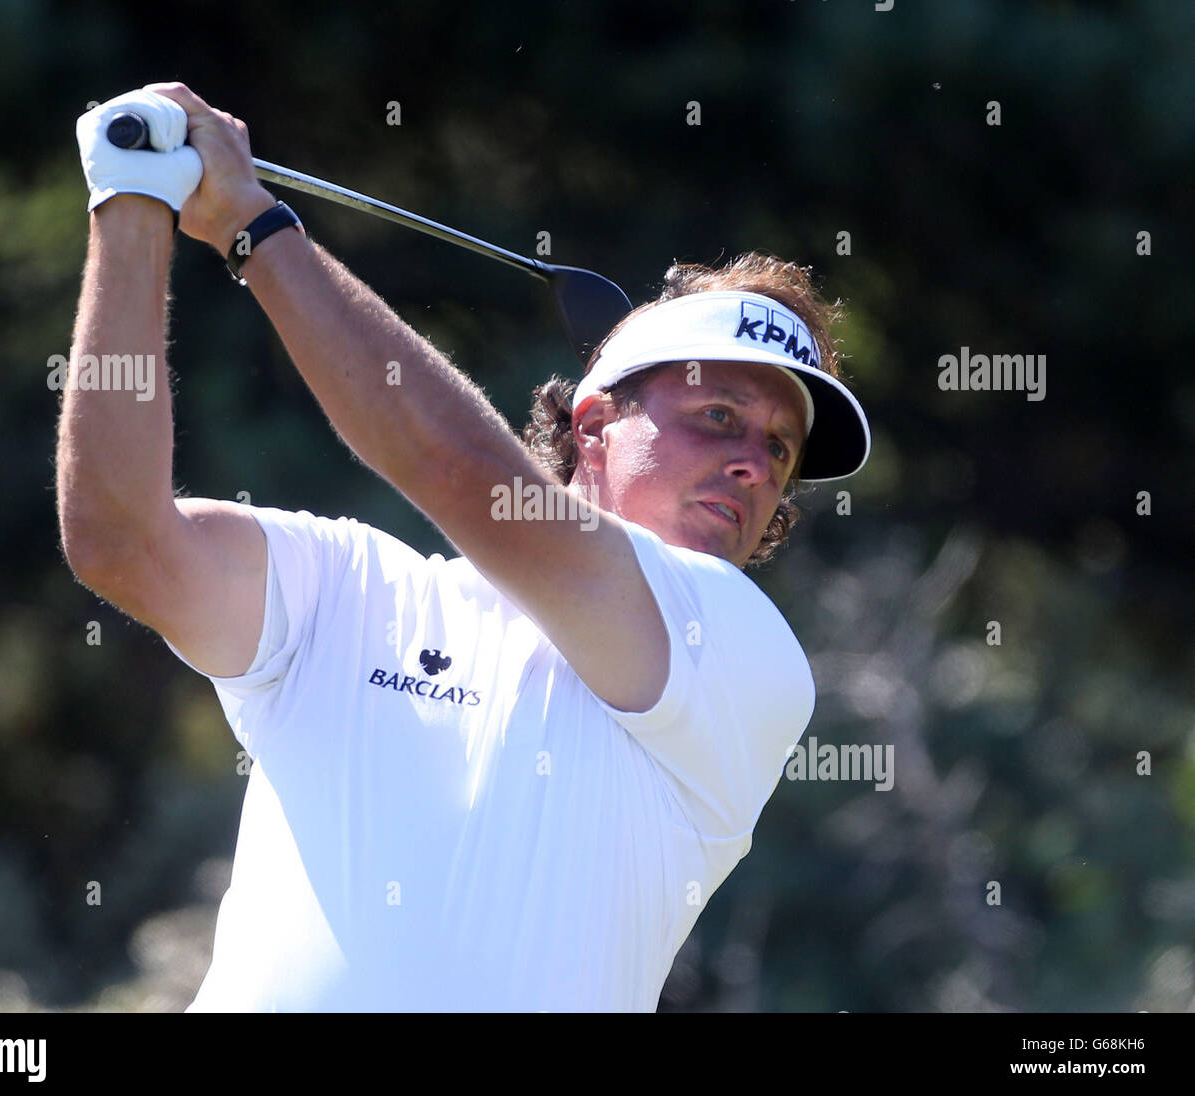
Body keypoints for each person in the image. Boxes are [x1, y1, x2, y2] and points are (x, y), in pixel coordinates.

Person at [57, 83, 870, 1012]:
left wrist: (253, 224)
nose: (751, 467)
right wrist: (129, 208)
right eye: (717, 417)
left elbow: (457, 473)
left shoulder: (740, 651)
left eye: (777, 447)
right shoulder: (350, 586)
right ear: (596, 422)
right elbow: (121, 543)